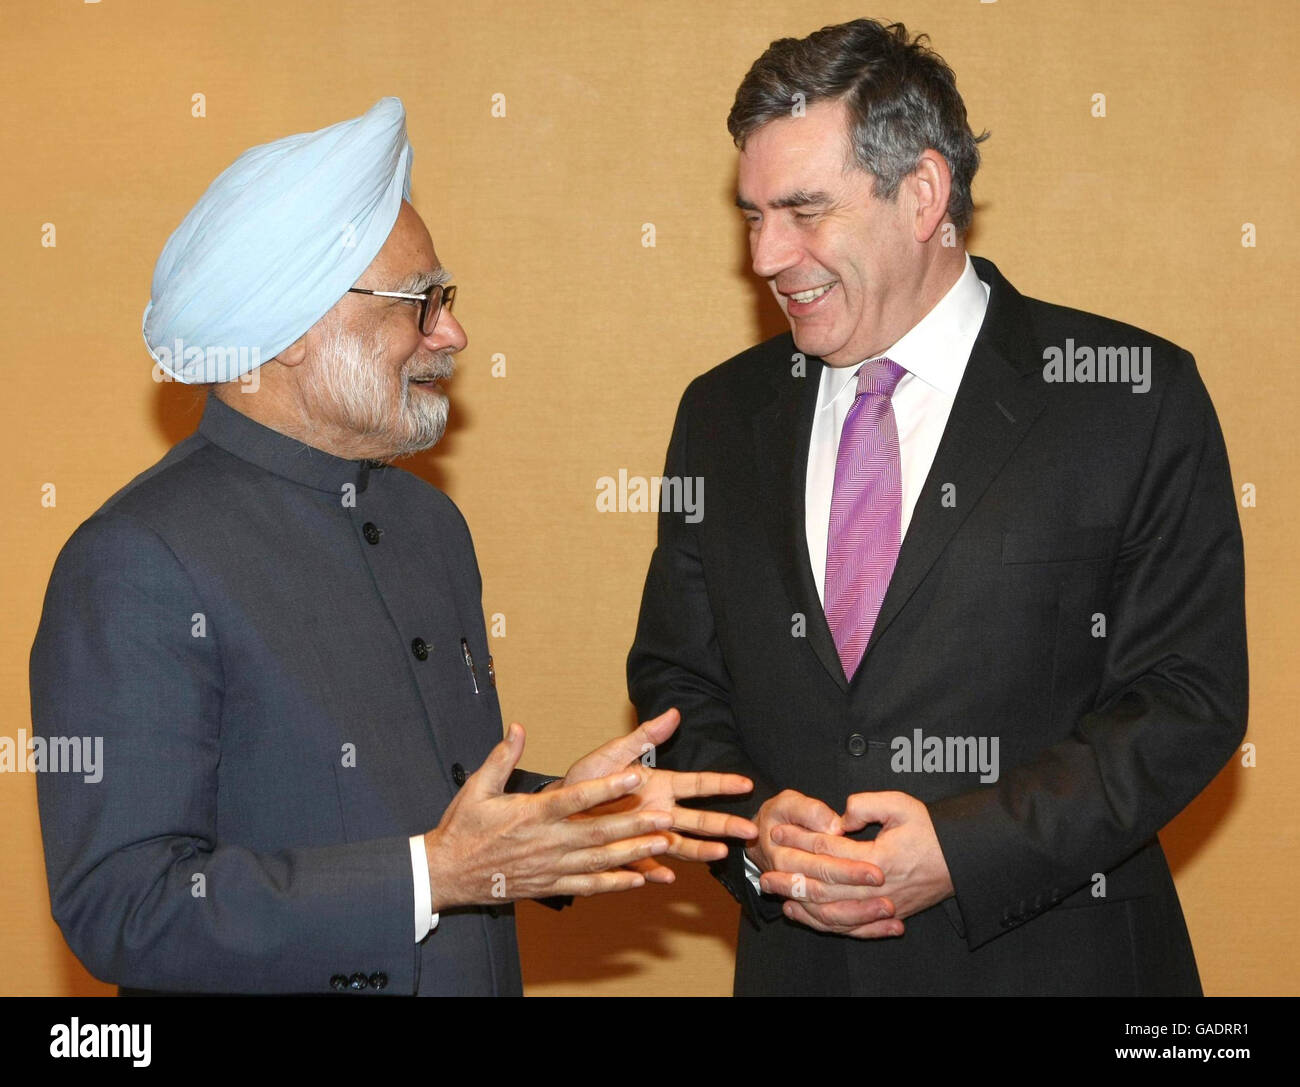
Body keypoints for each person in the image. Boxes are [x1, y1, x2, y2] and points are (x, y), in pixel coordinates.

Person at [31, 97, 756, 997]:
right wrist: (432, 877)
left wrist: (574, 811)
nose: (452, 334)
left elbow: (424, 798)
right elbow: (125, 905)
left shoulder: (428, 524)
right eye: (423, 303)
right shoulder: (136, 559)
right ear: (293, 330)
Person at [628, 19, 1247, 996]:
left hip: (1057, 964)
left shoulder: (1125, 396)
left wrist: (966, 850)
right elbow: (678, 681)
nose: (764, 254)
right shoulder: (719, 413)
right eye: (751, 214)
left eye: (801, 210)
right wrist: (754, 830)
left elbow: (1185, 702)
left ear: (921, 194)